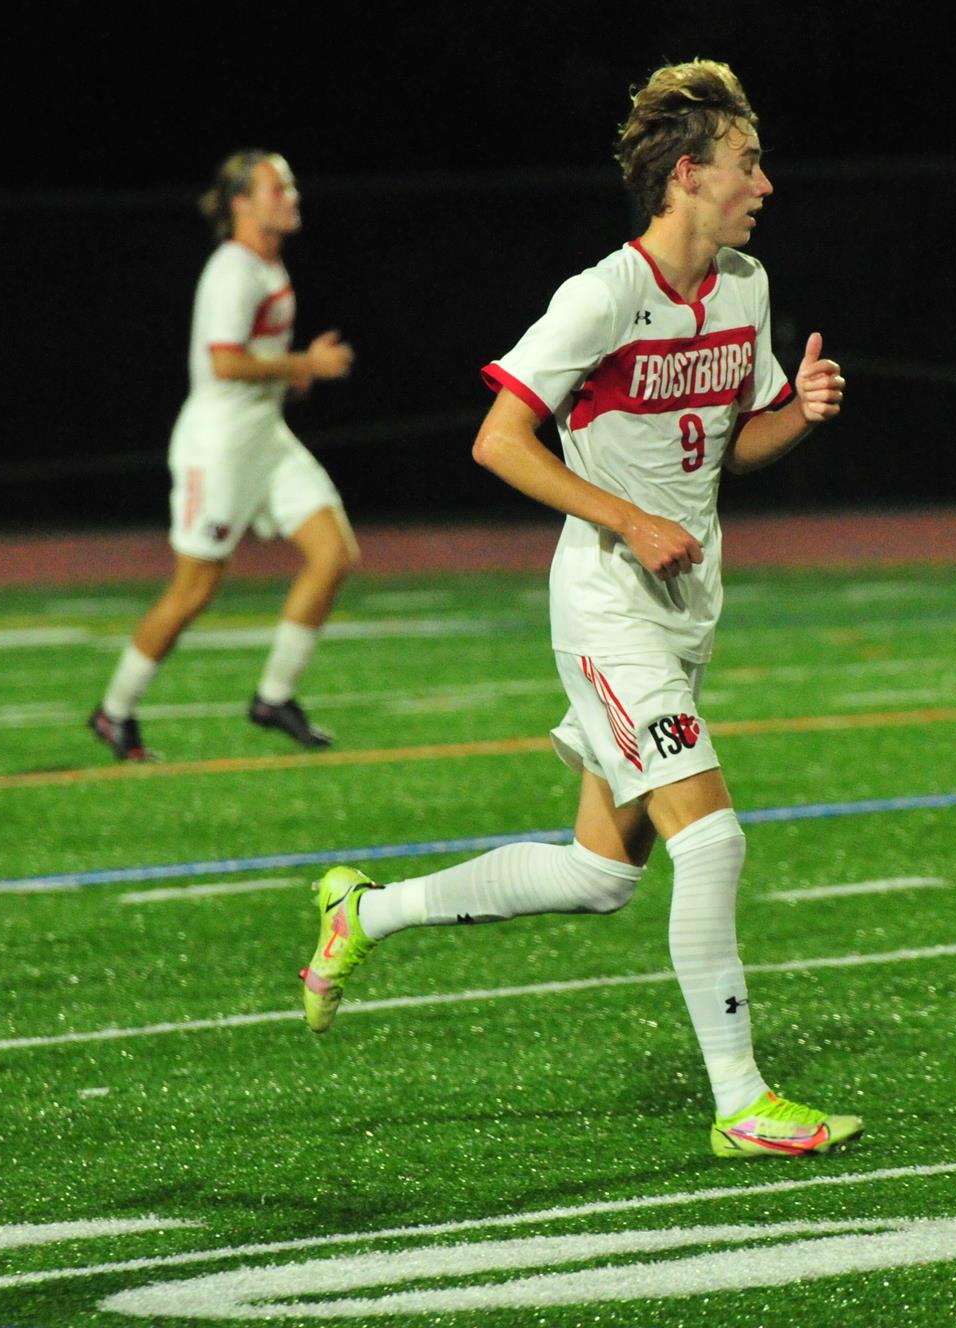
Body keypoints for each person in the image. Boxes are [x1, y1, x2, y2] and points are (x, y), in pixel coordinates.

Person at [298, 60, 859, 1160]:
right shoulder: (602, 294)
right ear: (689, 175)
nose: (765, 185)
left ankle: (362, 911)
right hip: (607, 605)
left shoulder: (741, 285)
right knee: (715, 842)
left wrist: (801, 416)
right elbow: (499, 439)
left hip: (685, 606)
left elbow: (733, 445)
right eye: (748, 164)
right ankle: (740, 1100)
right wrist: (627, 518)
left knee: (601, 872)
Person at [88, 150, 358, 760]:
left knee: (333, 553)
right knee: (195, 589)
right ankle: (114, 711)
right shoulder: (232, 270)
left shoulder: (268, 264)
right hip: (219, 446)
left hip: (264, 434)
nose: (291, 196)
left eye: (289, 185)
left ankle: (273, 697)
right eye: (276, 187)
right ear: (241, 202)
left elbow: (249, 359)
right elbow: (223, 362)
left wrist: (289, 375)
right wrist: (304, 365)